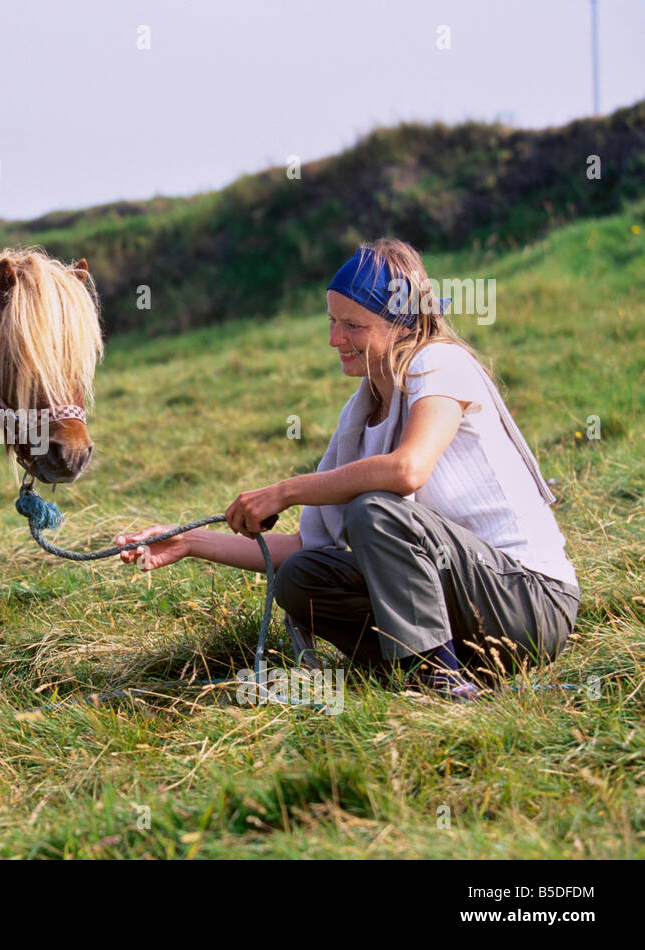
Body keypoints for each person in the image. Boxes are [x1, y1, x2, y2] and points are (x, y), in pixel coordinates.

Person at [117, 238, 579, 700]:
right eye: (332, 321)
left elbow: (407, 470)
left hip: (530, 604)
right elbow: (305, 543)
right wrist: (189, 541)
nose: (335, 339)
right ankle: (421, 672)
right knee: (301, 575)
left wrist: (287, 490)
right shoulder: (358, 418)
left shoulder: (439, 362)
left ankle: (438, 683)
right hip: (469, 614)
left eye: (353, 325)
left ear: (402, 322)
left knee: (375, 510)